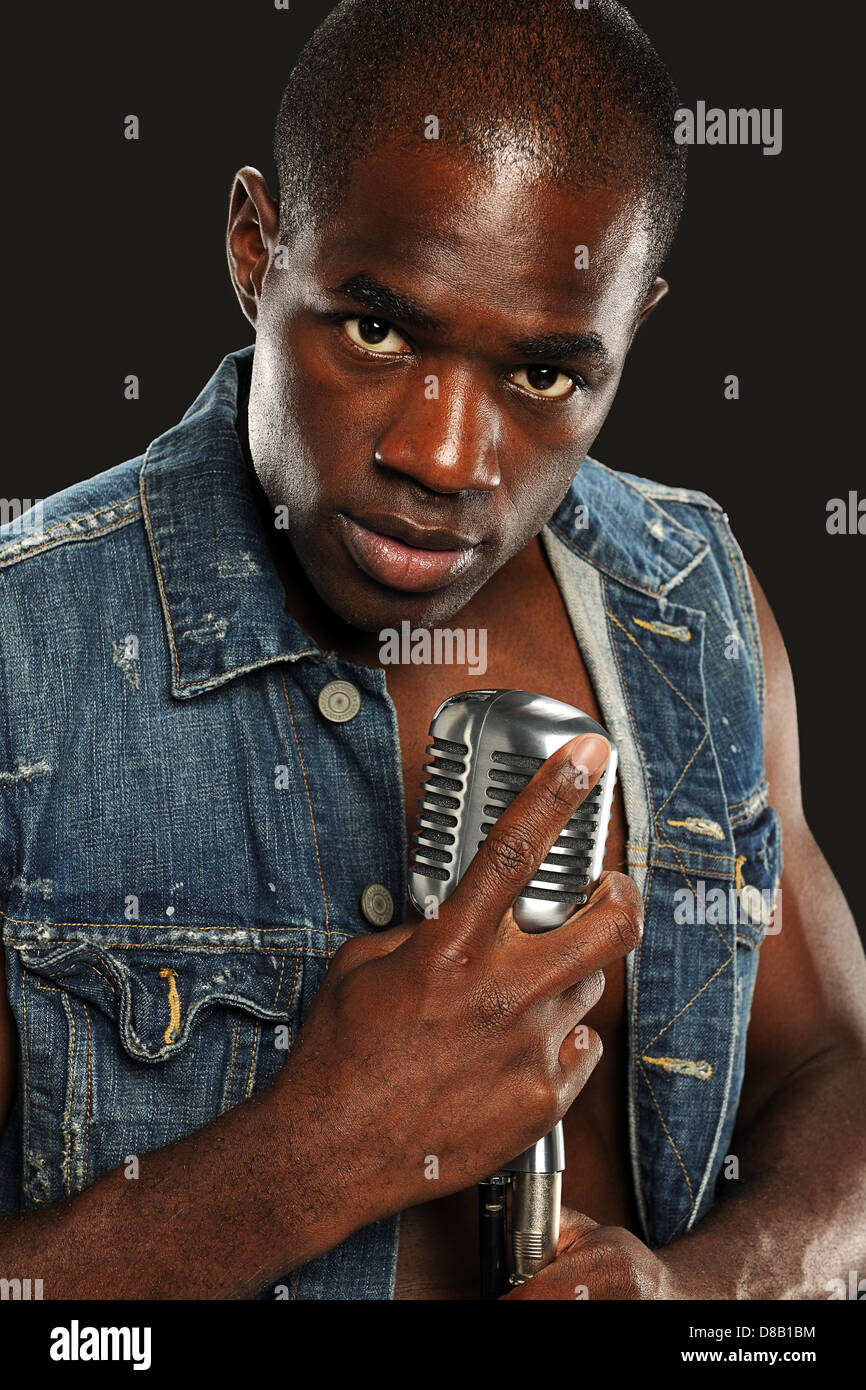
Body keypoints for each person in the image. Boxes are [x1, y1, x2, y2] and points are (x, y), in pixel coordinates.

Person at [0, 0, 863, 1301]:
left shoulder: (688, 602)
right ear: (255, 249)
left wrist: (703, 1295)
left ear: (632, 326)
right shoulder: (27, 659)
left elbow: (834, 1069)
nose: (445, 460)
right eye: (378, 331)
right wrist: (320, 1153)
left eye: (543, 376)